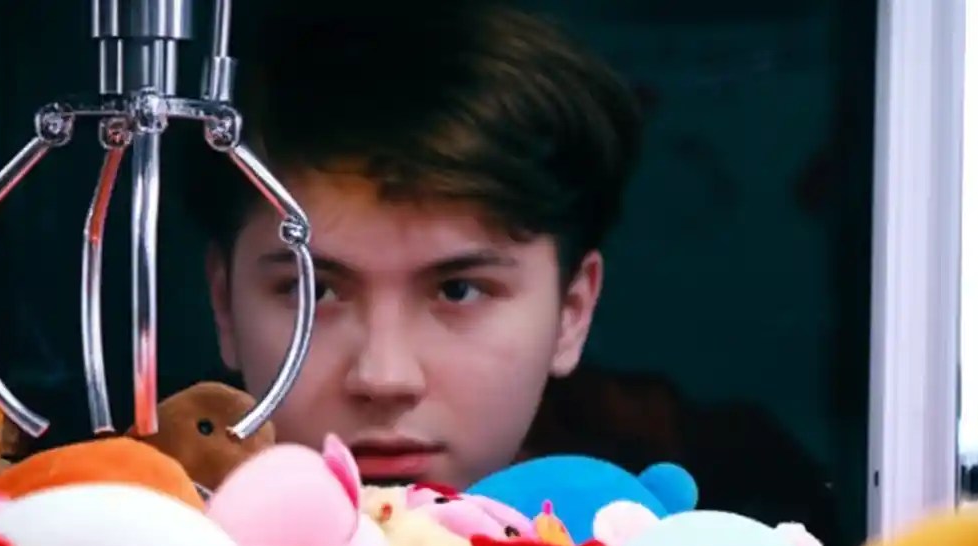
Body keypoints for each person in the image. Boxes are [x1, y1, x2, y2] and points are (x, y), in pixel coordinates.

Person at [184, 0, 640, 490]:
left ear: (572, 312)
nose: (384, 379)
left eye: (459, 290)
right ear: (224, 306)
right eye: (314, 292)